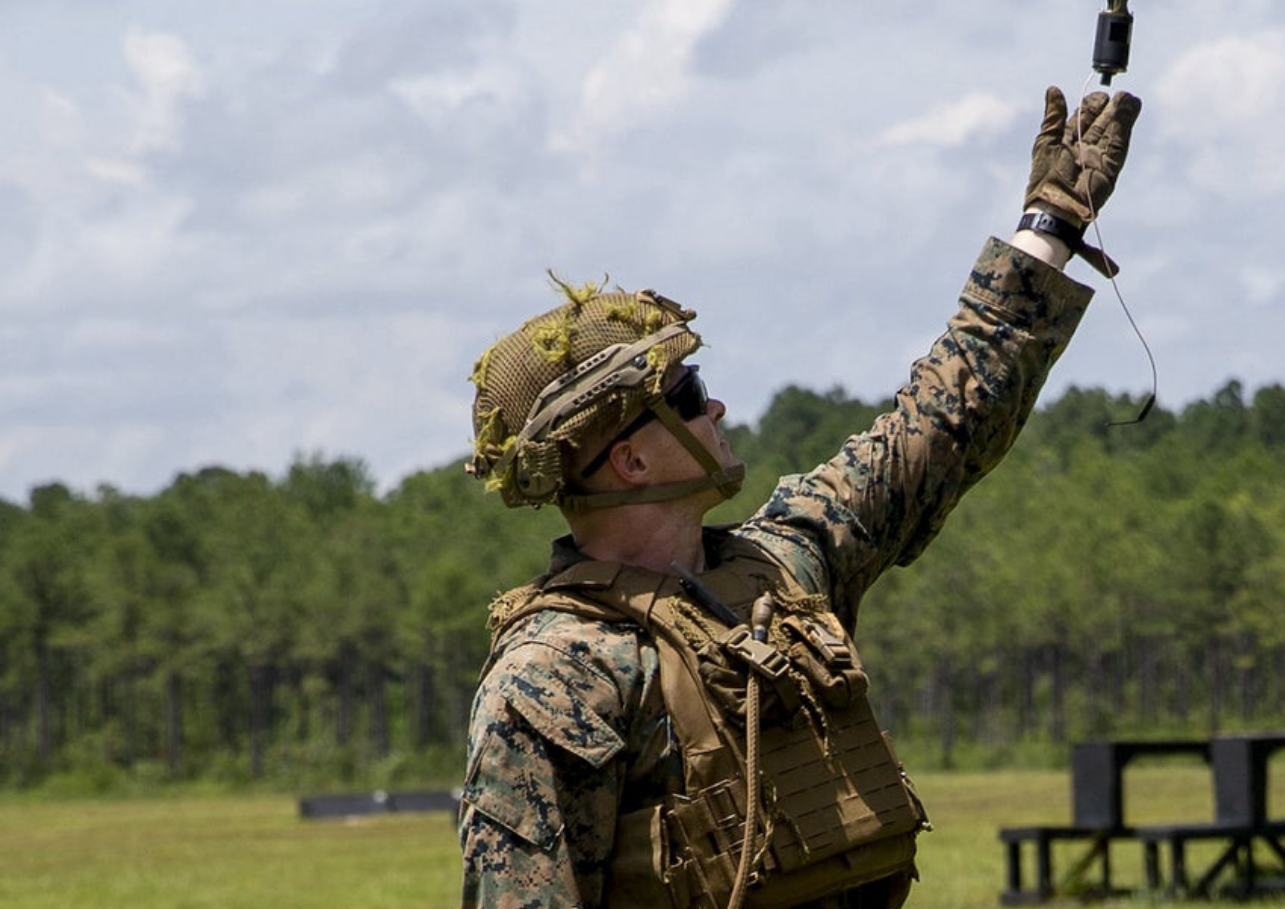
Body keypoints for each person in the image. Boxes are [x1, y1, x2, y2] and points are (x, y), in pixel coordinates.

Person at [458, 85, 1142, 909]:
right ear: (631, 461)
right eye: (687, 392)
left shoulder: (782, 565)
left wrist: (1050, 225)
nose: (714, 407)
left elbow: (940, 421)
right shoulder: (552, 683)